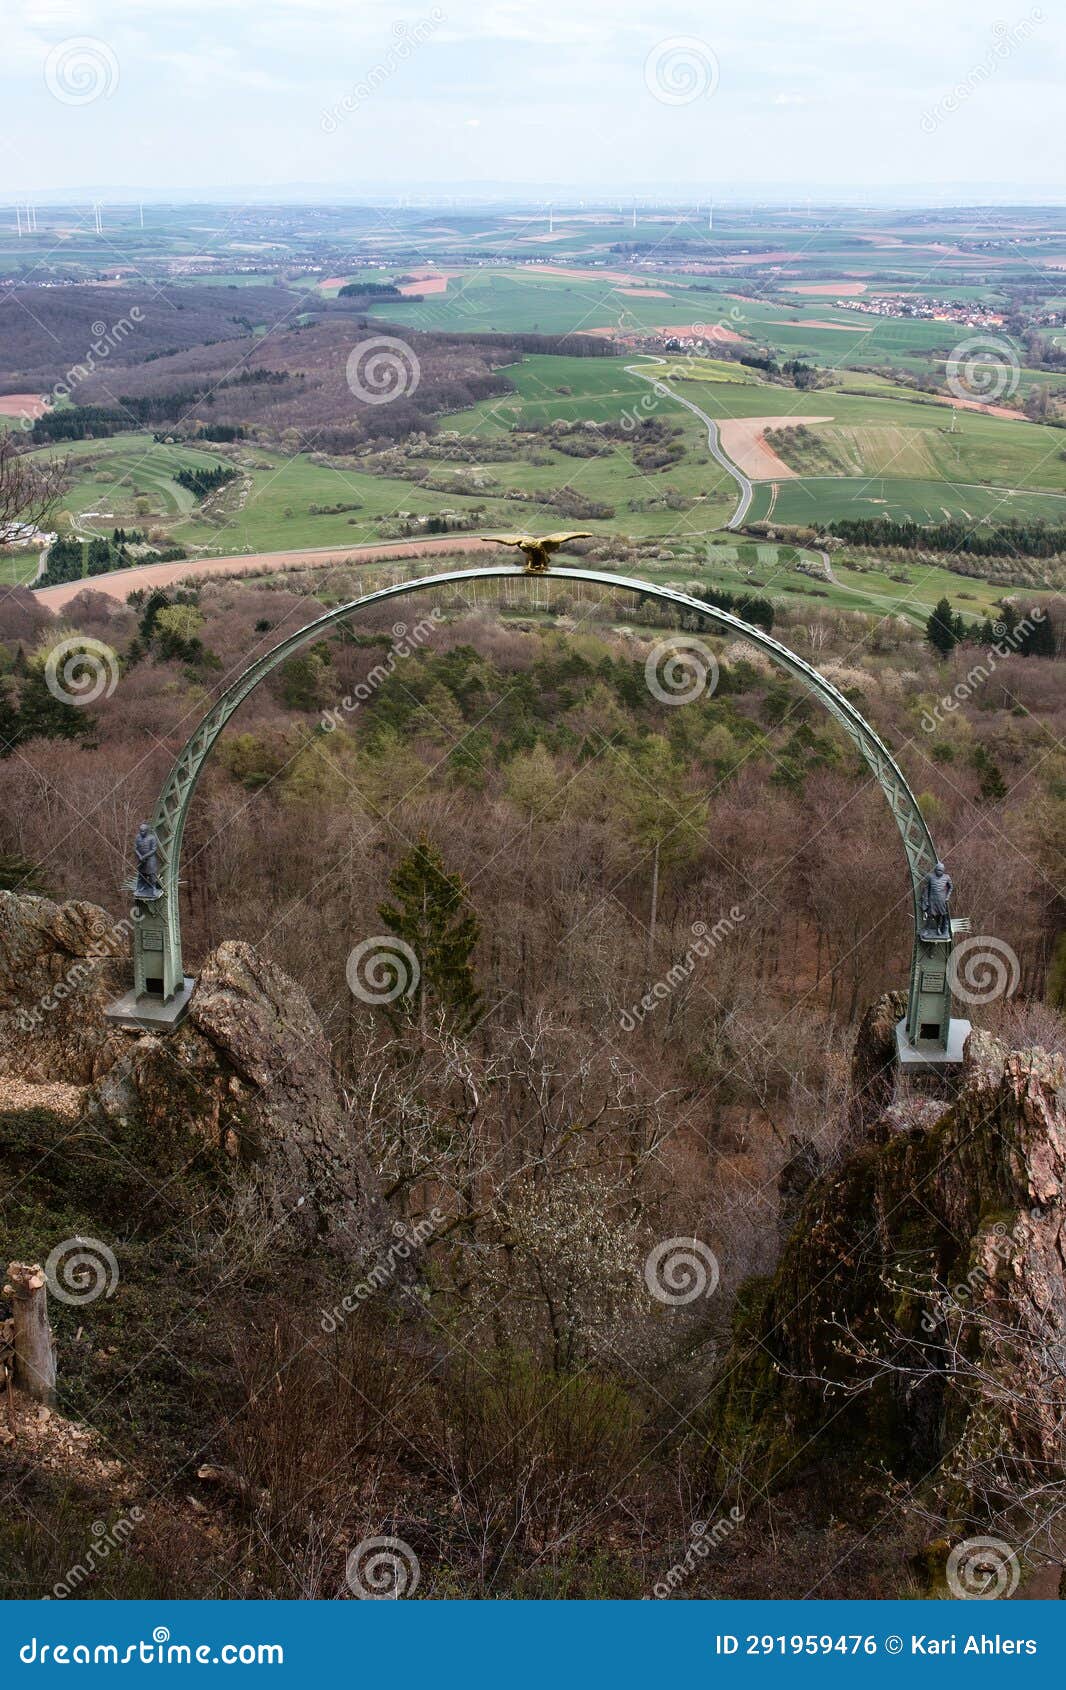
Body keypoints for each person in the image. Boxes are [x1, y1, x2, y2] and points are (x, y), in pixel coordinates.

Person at [920, 861, 952, 938]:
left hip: (941, 900)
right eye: (938, 870)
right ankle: (927, 929)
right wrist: (926, 900)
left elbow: (951, 887)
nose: (939, 872)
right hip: (932, 900)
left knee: (941, 915)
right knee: (930, 915)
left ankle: (939, 928)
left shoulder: (946, 877)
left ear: (943, 871)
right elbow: (926, 889)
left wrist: (947, 896)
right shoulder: (930, 876)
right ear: (935, 870)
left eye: (941, 870)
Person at [134, 822, 160, 899]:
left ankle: (154, 888)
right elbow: (135, 848)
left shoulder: (152, 838)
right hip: (141, 860)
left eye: (143, 831)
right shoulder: (137, 837)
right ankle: (142, 887)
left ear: (147, 831)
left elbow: (154, 849)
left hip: (150, 860)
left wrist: (144, 856)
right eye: (140, 831)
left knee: (151, 874)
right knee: (142, 874)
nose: (142, 832)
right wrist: (139, 856)